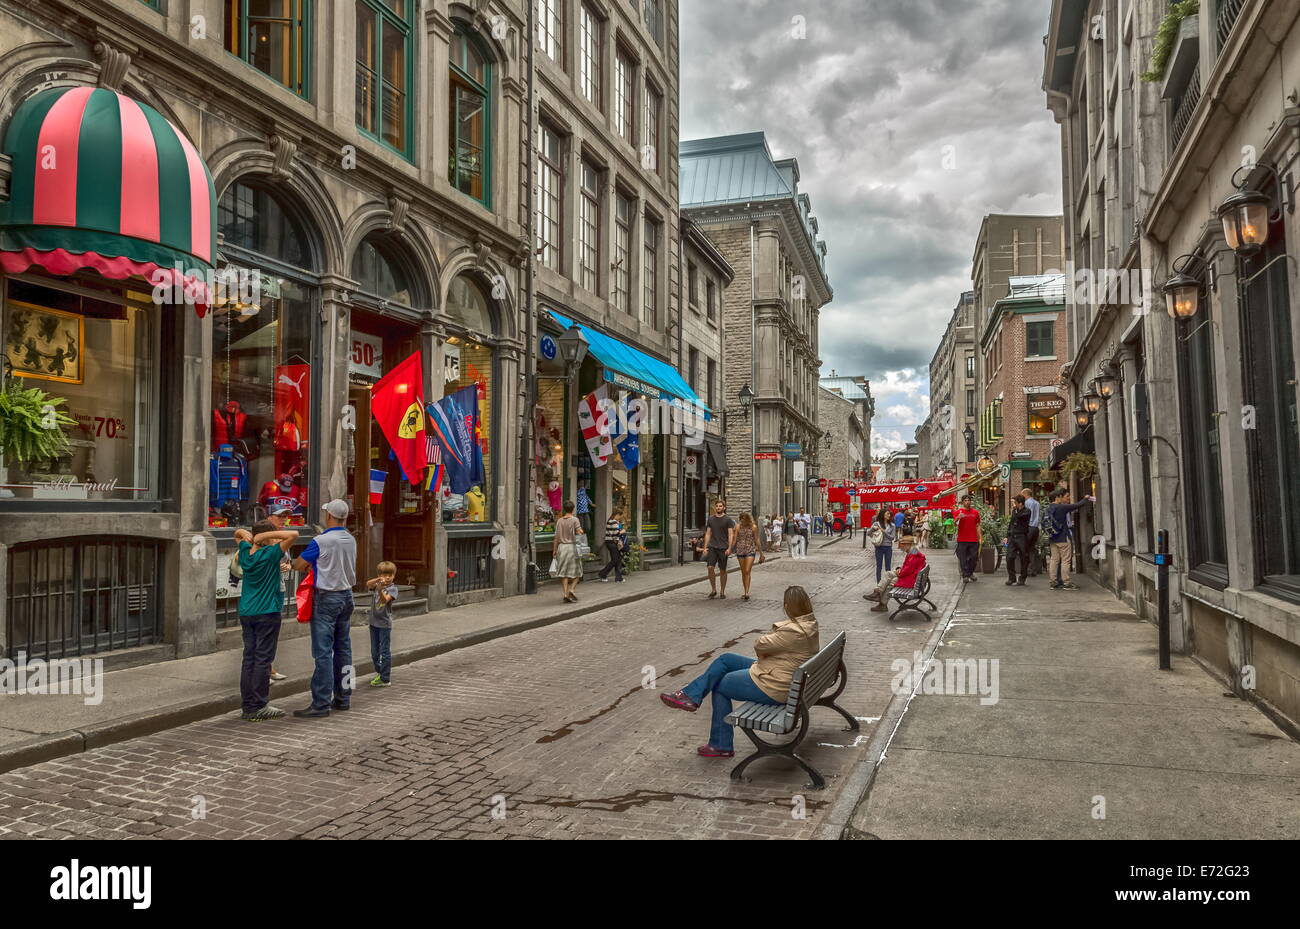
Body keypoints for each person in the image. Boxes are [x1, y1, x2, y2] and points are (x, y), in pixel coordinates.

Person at [659, 585, 819, 757]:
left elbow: (760, 643)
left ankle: (721, 744)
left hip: (777, 686)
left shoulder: (792, 630)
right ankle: (690, 696)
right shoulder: (809, 624)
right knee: (726, 659)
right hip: (783, 675)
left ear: (788, 607)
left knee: (720, 684)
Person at [291, 500, 357, 718]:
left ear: (329, 516)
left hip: (327, 597)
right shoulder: (350, 539)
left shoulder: (322, 541)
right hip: (346, 595)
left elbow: (300, 564)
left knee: (323, 653)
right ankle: (344, 697)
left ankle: (321, 702)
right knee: (344, 648)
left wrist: (303, 563)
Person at [233, 521, 298, 721]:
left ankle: (248, 705)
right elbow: (294, 535)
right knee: (263, 659)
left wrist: (254, 538)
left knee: (249, 658)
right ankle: (259, 705)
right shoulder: (270, 554)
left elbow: (238, 533)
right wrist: (263, 538)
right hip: (267, 612)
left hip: (247, 611)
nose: (277, 539)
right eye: (273, 536)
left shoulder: (245, 551)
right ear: (267, 537)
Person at [264, 504, 296, 682]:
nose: (284, 520)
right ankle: (263, 668)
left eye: (285, 516)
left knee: (274, 630)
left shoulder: (283, 539)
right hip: (266, 590)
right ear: (269, 518)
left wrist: (287, 566)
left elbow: (288, 562)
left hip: (279, 587)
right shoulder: (263, 538)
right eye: (280, 516)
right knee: (266, 630)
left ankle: (269, 667)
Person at [1045, 487, 1096, 590]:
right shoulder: (1061, 507)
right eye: (1063, 496)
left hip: (1053, 538)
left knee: (1054, 560)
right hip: (1063, 537)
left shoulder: (1048, 508)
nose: (1064, 498)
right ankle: (1066, 582)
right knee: (1065, 561)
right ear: (1058, 497)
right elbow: (1077, 505)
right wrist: (1086, 498)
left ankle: (1053, 582)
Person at [864, 534, 926, 612]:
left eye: (902, 546)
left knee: (891, 582)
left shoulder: (913, 555)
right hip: (912, 577)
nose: (901, 548)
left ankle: (881, 602)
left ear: (908, 545)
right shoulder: (913, 552)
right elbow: (908, 568)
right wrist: (900, 570)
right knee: (888, 574)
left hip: (911, 580)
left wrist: (899, 572)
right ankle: (877, 593)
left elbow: (907, 570)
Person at [365, 561, 398, 687]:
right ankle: (380, 671)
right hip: (373, 623)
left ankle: (385, 678)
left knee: (384, 651)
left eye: (390, 574)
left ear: (394, 576)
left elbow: (385, 600)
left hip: (384, 624)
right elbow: (367, 584)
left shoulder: (393, 589)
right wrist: (378, 580)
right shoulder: (377, 583)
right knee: (374, 652)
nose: (388, 577)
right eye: (385, 574)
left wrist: (380, 590)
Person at [703, 500, 737, 599]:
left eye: (720, 506)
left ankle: (722, 591)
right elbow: (708, 533)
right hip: (712, 547)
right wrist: (705, 547)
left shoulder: (728, 519)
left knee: (722, 570)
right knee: (710, 567)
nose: (718, 508)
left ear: (724, 507)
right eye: (717, 506)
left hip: (723, 547)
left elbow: (731, 534)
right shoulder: (711, 519)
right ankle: (713, 589)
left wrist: (730, 548)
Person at [553, 501, 585, 602]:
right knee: (578, 571)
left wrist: (554, 550)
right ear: (573, 509)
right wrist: (580, 531)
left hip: (561, 548)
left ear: (564, 509)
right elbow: (579, 532)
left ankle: (565, 594)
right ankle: (572, 590)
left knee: (564, 573)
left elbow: (556, 538)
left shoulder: (559, 521)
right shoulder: (575, 519)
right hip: (571, 547)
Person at [730, 511, 765, 600]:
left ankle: (747, 593)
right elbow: (734, 539)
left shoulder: (753, 527)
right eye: (741, 520)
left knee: (747, 570)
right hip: (740, 551)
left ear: (747, 520)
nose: (742, 522)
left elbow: (757, 539)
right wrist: (729, 549)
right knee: (743, 572)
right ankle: (745, 590)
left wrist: (761, 553)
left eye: (744, 520)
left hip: (750, 550)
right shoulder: (738, 526)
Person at [953, 495, 981, 583]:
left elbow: (978, 525)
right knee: (963, 559)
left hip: (973, 539)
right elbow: (954, 524)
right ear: (962, 502)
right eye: (965, 500)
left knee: (974, 558)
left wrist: (980, 537)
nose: (967, 502)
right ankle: (965, 575)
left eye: (969, 500)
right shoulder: (958, 512)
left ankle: (970, 573)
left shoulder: (975, 512)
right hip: (962, 539)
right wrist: (958, 517)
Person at [1005, 495, 1031, 586]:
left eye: (1014, 502)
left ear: (1020, 503)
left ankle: (1022, 578)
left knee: (1024, 557)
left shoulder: (1027, 511)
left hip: (1022, 537)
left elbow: (1019, 516)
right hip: (1013, 537)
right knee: (1009, 557)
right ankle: (1012, 578)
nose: (1013, 504)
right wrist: (1007, 535)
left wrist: (1015, 510)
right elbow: (1011, 523)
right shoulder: (1014, 511)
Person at [866, 507, 896, 584]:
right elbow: (868, 533)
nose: (889, 515)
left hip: (888, 548)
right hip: (879, 547)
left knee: (888, 567)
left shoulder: (892, 525)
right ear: (883, 515)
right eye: (887, 514)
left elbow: (892, 538)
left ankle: (887, 584)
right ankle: (879, 584)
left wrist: (884, 531)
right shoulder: (876, 524)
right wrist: (873, 529)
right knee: (879, 567)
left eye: (889, 514)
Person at [598, 508, 627, 583]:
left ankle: (618, 578)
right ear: (617, 515)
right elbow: (616, 533)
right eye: (620, 516)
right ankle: (602, 574)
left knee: (617, 559)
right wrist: (623, 531)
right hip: (612, 543)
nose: (620, 518)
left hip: (610, 543)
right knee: (615, 560)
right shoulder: (613, 522)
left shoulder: (610, 521)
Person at [1023, 487, 1043, 576]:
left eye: (1022, 495)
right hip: (1036, 528)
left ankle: (1027, 569)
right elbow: (1039, 516)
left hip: (1029, 527)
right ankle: (1034, 569)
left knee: (1025, 548)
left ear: (1026, 494)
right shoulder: (1037, 503)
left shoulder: (1027, 503)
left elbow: (1028, 516)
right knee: (1032, 549)